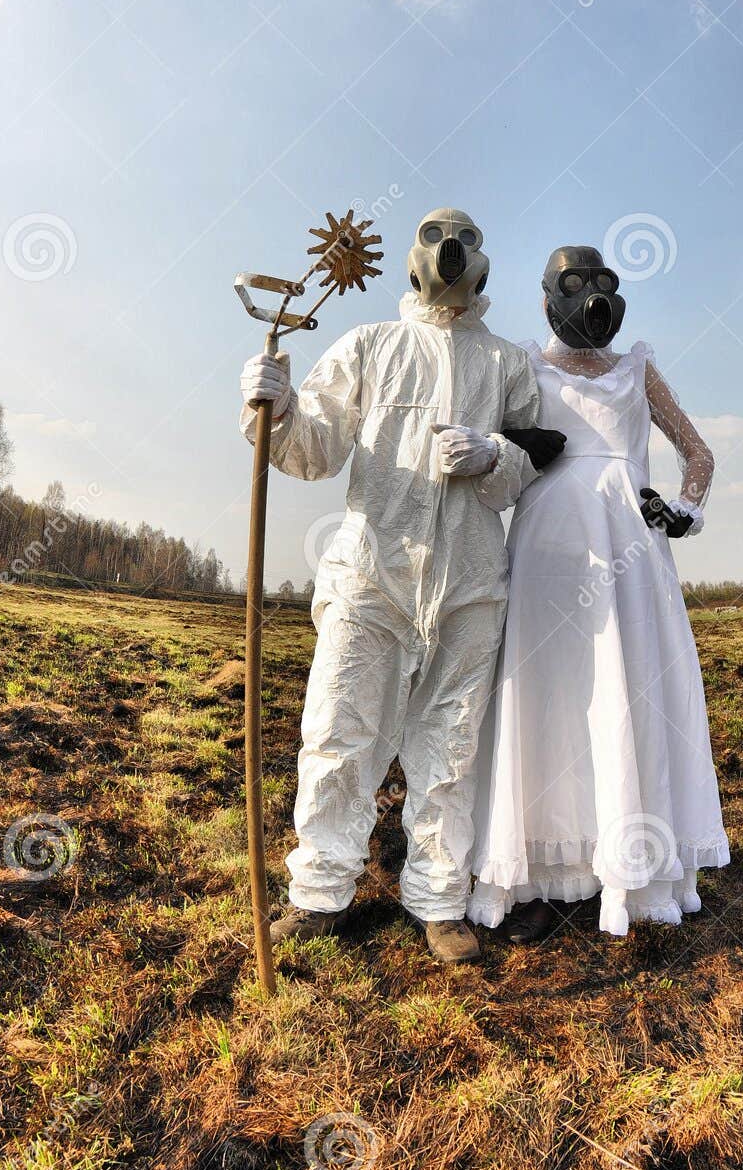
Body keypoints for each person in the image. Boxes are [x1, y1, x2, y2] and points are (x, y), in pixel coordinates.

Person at [239, 209, 564, 964]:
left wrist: (494, 456)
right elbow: (314, 449)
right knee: (338, 731)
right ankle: (319, 893)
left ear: (484, 263)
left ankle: (439, 899)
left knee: (451, 743)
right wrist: (277, 407)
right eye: (437, 237)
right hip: (372, 573)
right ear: (414, 260)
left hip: (471, 582)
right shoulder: (370, 345)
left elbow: (531, 463)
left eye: (466, 239)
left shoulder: (508, 364)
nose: (451, 251)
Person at [468, 244, 729, 941]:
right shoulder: (522, 364)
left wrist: (686, 509)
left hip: (632, 552)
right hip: (549, 553)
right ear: (547, 295)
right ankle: (540, 874)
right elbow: (497, 446)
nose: (593, 298)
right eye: (575, 284)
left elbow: (698, 452)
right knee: (548, 695)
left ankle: (633, 865)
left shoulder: (637, 368)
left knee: (631, 691)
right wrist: (512, 446)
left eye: (603, 284)